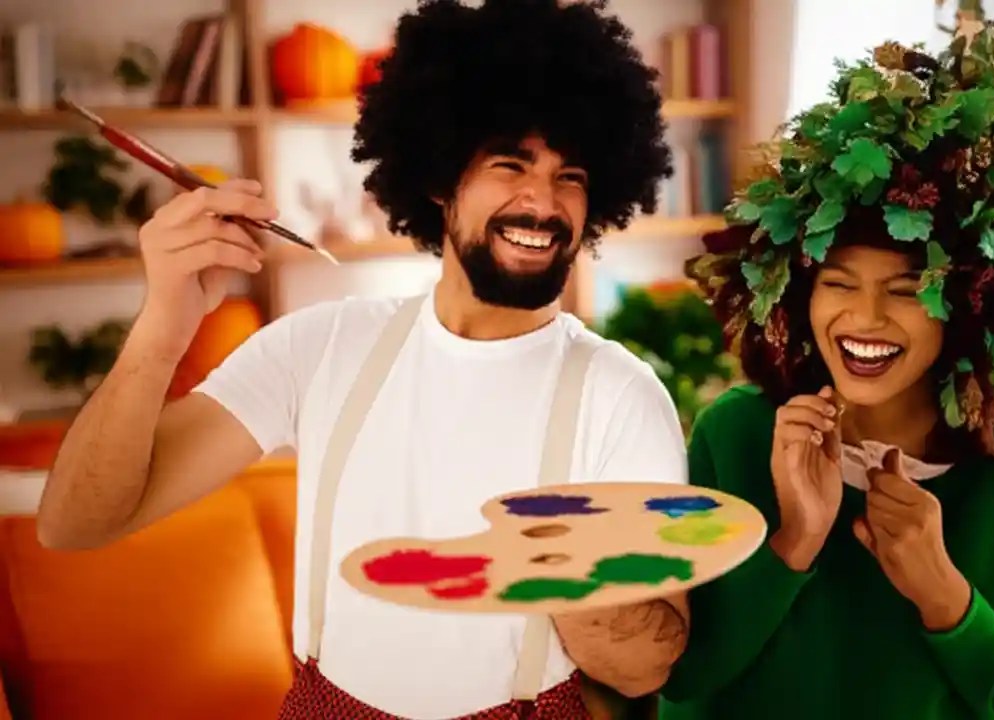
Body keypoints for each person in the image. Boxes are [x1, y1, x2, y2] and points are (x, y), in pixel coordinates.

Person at [37, 1, 689, 718]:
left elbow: (642, 670)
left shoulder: (622, 394)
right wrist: (164, 325)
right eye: (510, 164)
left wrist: (558, 569)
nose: (543, 201)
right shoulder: (318, 347)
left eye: (572, 177)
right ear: (441, 180)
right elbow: (74, 524)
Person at [659, 11, 994, 720]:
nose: (864, 319)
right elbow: (682, 674)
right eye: (838, 284)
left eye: (905, 290)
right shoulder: (732, 435)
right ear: (799, 294)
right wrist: (795, 540)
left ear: (962, 307)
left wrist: (945, 596)